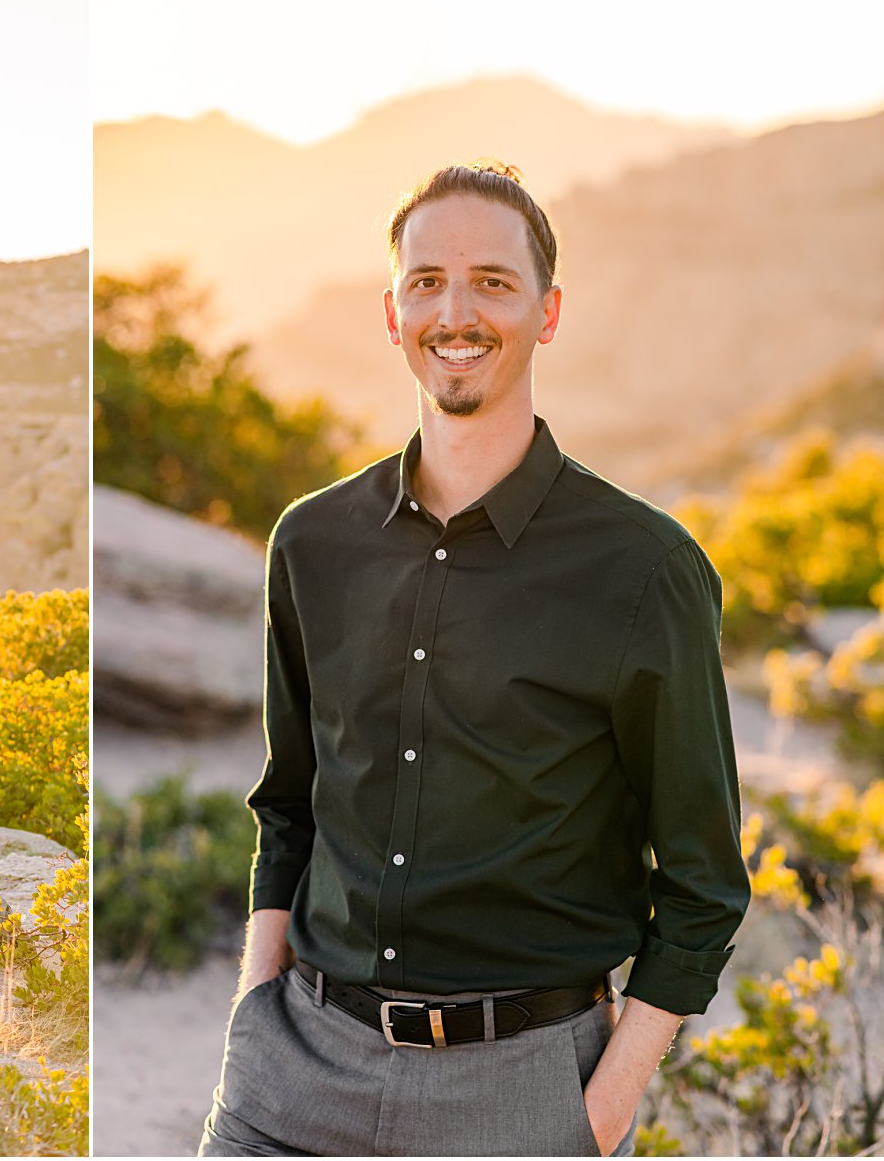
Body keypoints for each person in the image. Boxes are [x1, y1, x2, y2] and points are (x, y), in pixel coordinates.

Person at [198, 162, 749, 1156]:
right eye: (426, 281)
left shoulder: (644, 569)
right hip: (293, 1073)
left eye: (493, 281)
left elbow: (704, 882)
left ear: (546, 312)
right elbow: (288, 804)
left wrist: (598, 1108)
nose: (455, 311)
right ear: (391, 310)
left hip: (521, 1094)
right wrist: (255, 1011)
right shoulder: (312, 541)